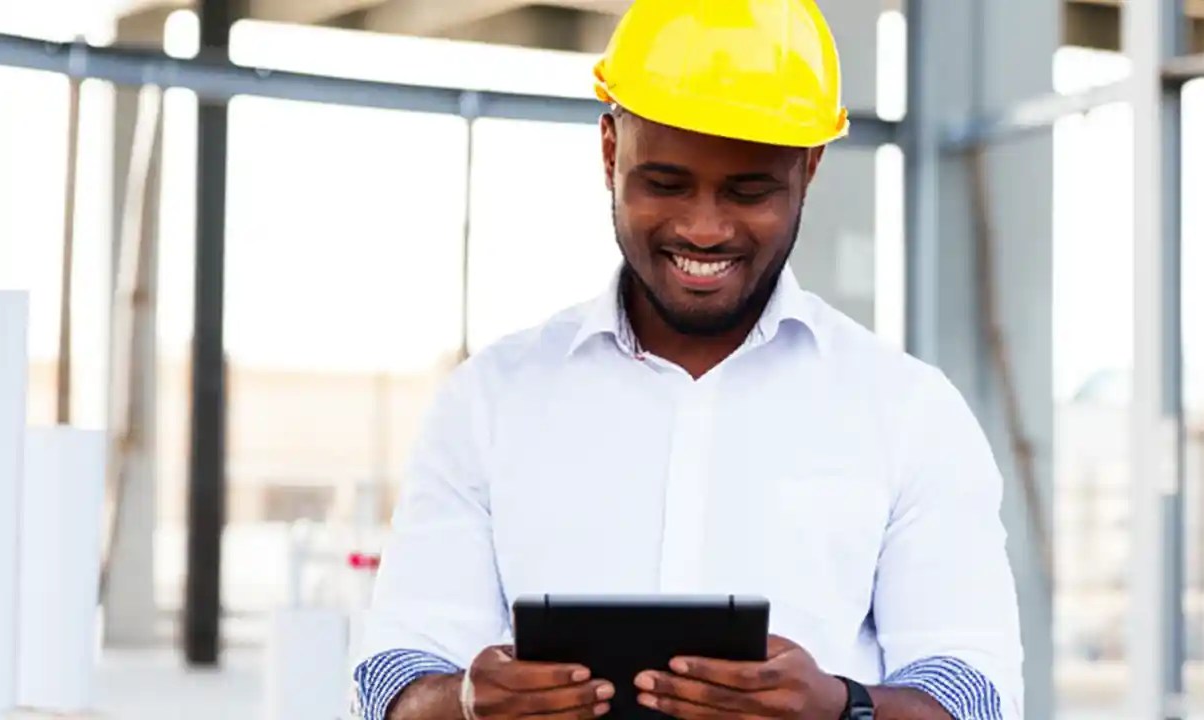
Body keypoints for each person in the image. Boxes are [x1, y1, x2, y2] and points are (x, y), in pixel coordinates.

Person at [352, 1, 1024, 718]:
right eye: (665, 184)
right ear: (610, 151)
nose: (704, 229)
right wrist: (462, 704)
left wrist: (840, 708)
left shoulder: (908, 412)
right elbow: (390, 676)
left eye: (749, 190)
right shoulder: (489, 401)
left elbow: (976, 692)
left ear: (810, 166)